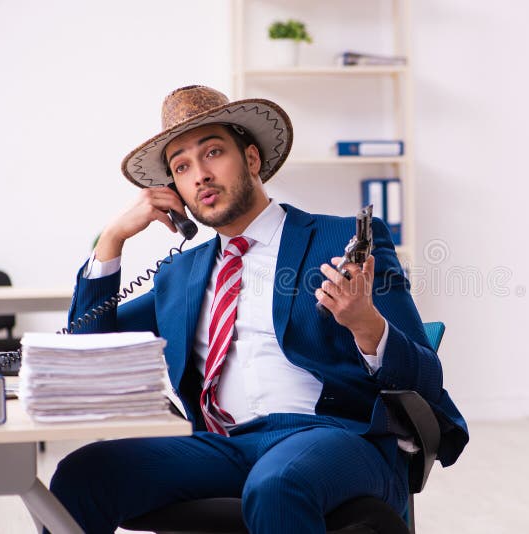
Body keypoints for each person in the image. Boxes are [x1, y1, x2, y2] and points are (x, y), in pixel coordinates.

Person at [50, 85, 468, 534]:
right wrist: (112, 240)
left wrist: (369, 327)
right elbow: (87, 352)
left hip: (334, 438)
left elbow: (426, 378)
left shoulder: (341, 241)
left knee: (277, 484)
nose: (200, 176)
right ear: (173, 191)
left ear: (251, 159)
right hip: (223, 446)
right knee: (82, 475)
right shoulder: (181, 276)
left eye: (213, 153)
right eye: (182, 167)